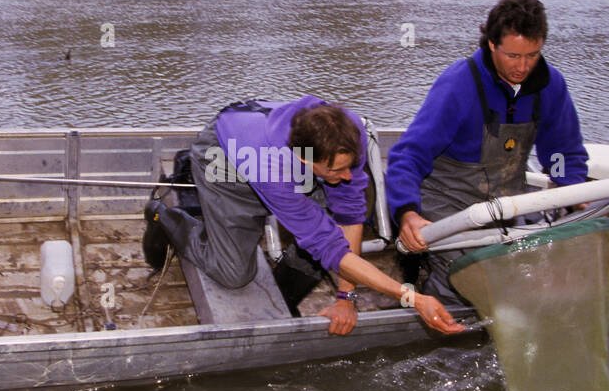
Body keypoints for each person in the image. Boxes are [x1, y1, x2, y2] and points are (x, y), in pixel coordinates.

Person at [145, 96, 463, 336]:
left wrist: (345, 296)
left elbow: (349, 214)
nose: (348, 175)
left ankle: (286, 290)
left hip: (282, 155)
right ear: (303, 157)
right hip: (226, 162)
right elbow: (329, 245)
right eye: (337, 170)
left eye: (348, 165)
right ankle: (167, 218)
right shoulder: (269, 167)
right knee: (232, 274)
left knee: (342, 203)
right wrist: (412, 298)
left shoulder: (348, 135)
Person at [386, 0, 590, 305]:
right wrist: (407, 212)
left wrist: (573, 191)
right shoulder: (459, 83)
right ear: (492, 44)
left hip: (508, 200)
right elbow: (410, 154)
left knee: (539, 270)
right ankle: (439, 324)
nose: (522, 67)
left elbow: (563, 153)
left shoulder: (551, 86)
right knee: (467, 276)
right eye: (512, 56)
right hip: (448, 202)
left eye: (532, 55)